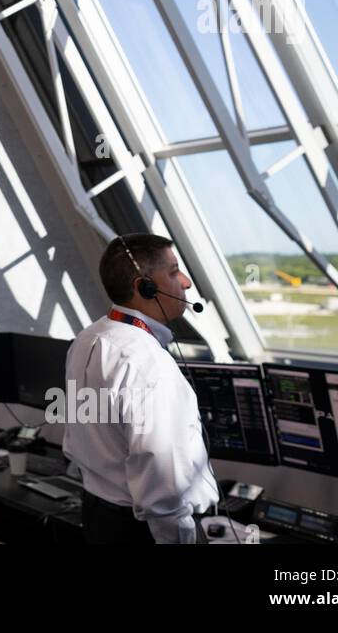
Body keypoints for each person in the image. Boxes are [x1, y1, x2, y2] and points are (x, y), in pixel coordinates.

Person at [62, 233, 219, 544]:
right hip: (142, 530)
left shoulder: (87, 339)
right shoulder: (148, 364)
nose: (186, 282)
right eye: (174, 272)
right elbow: (161, 480)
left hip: (98, 513)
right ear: (144, 287)